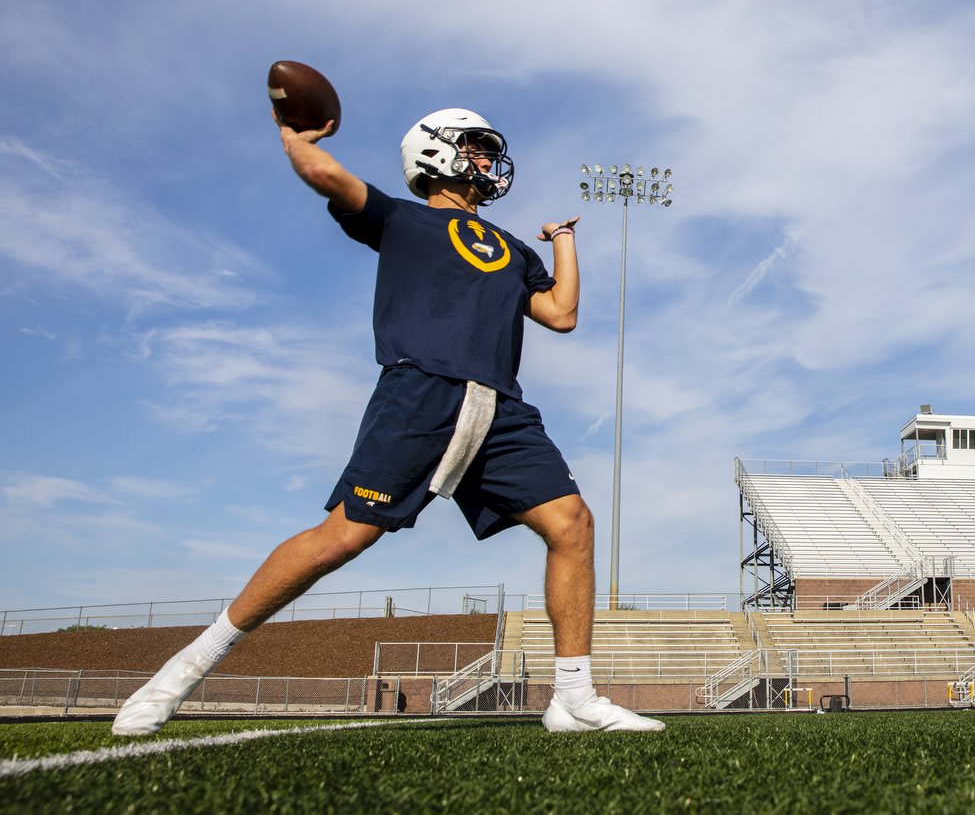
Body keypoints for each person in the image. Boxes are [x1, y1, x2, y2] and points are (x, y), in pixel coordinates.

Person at [112, 107, 663, 735]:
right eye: (476, 148)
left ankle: (573, 698)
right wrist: (296, 139)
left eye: (489, 150)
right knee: (343, 538)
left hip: (500, 408)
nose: (488, 159)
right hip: (418, 390)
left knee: (573, 524)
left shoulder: (510, 247)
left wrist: (561, 239)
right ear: (434, 155)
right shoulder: (402, 220)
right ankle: (180, 671)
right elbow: (331, 180)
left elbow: (561, 314)